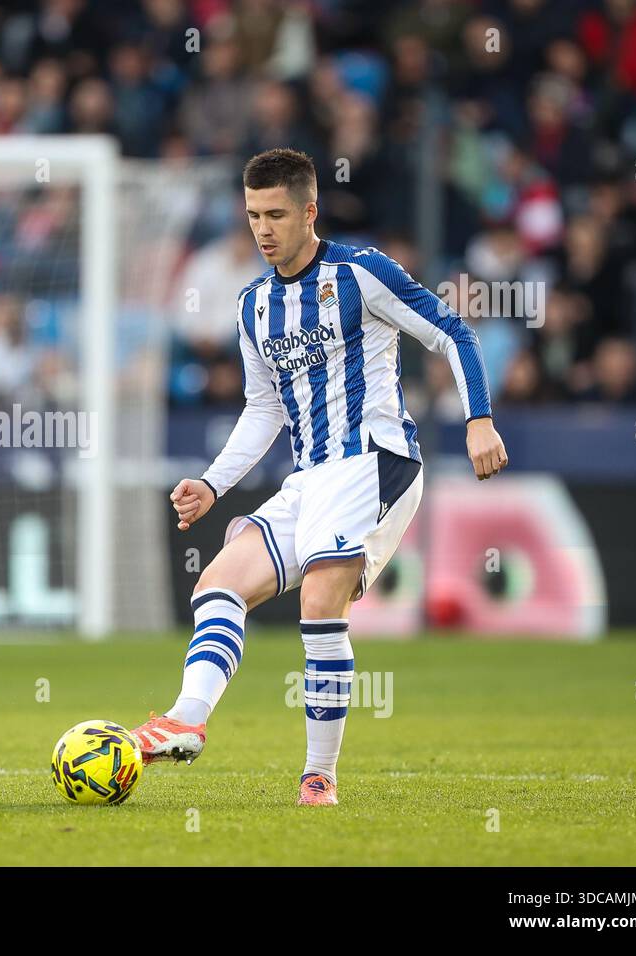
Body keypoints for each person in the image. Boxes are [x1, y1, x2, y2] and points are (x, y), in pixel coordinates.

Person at [129, 149, 508, 806]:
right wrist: (214, 484)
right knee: (218, 582)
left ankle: (318, 779)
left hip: (375, 461)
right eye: (253, 215)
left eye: (276, 213)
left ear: (310, 211)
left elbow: (452, 333)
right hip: (311, 477)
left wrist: (479, 419)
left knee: (319, 604)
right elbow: (264, 407)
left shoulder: (361, 273)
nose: (263, 229)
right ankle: (187, 718)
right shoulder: (252, 307)